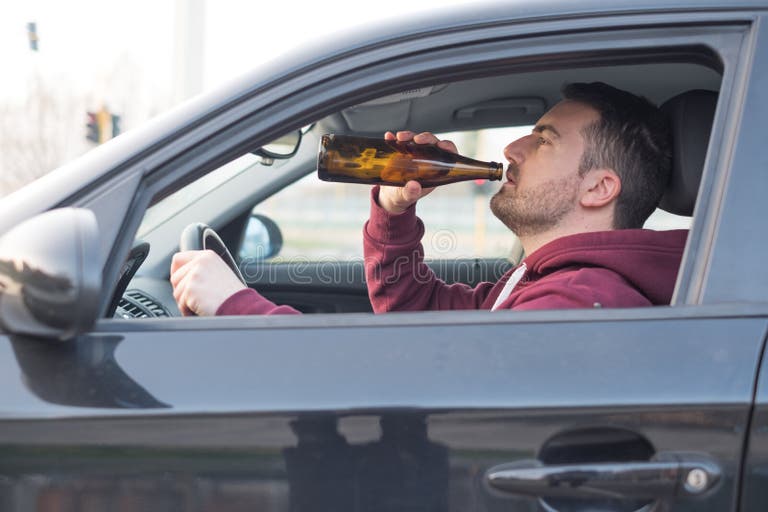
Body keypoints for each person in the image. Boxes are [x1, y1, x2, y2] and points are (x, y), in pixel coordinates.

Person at [170, 82, 687, 316]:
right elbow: (415, 310)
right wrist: (395, 212)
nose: (511, 148)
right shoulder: (539, 282)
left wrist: (236, 306)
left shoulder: (580, 303)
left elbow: (380, 390)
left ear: (600, 188)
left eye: (544, 139)